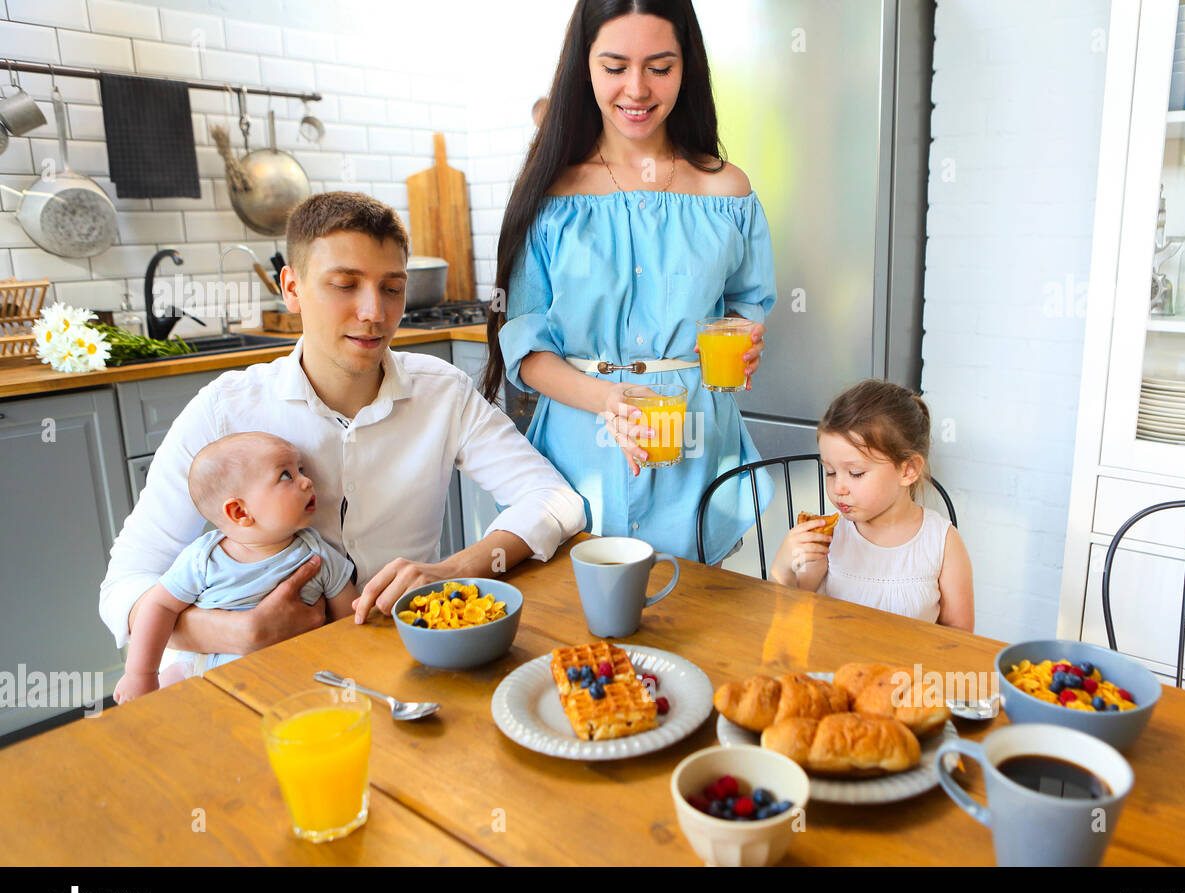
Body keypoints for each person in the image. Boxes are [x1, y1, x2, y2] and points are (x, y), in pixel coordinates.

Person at [99, 192, 586, 665]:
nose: (374, 313)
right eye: (345, 284)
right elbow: (125, 584)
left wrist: (456, 569)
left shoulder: (443, 392)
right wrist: (236, 632)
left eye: (392, 288)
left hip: (397, 657)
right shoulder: (225, 409)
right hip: (242, 674)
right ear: (292, 289)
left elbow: (554, 499)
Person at [480, 0, 777, 564]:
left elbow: (746, 306)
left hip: (695, 448)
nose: (636, 89)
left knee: (696, 625)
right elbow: (525, 348)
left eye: (659, 67)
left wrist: (745, 344)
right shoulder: (551, 197)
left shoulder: (727, 194)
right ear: (583, 66)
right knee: (576, 628)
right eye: (614, 67)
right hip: (578, 449)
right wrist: (606, 399)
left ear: (687, 67)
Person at [113, 433, 357, 703]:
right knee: (166, 705)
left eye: (300, 469)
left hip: (290, 680)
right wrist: (141, 673)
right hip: (201, 672)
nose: (306, 481)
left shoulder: (316, 553)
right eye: (286, 476)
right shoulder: (203, 559)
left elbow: (351, 623)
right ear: (240, 512)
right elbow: (159, 607)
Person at [770, 380, 975, 631]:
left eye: (855, 473)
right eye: (831, 472)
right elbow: (788, 617)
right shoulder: (827, 538)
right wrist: (783, 567)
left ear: (908, 470)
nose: (838, 488)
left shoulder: (942, 543)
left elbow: (961, 637)